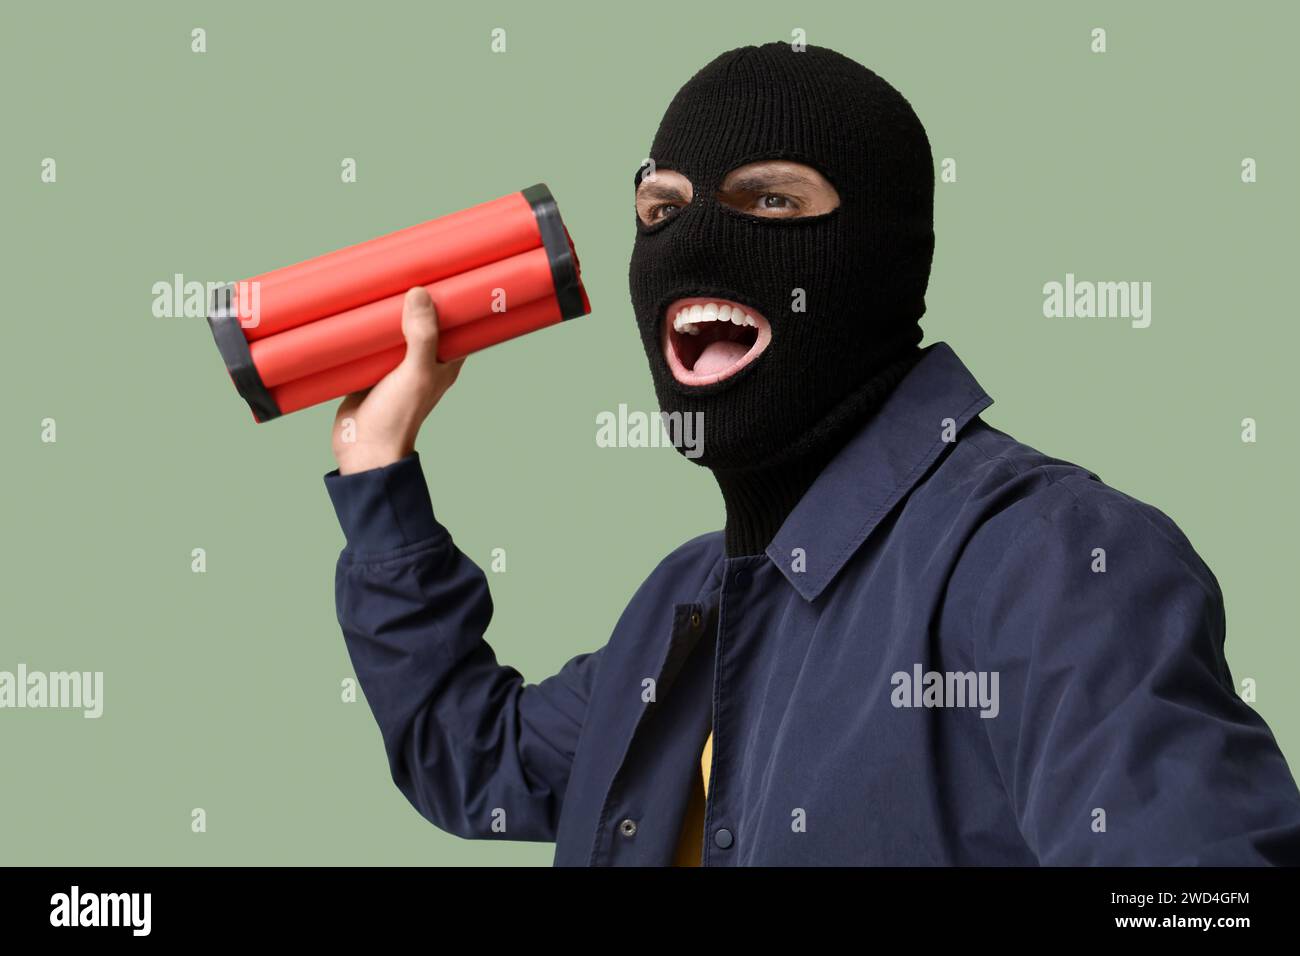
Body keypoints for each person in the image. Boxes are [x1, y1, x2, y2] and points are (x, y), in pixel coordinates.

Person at [321, 42, 1300, 865]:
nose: (691, 243)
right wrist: (377, 472)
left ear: (879, 256)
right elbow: (478, 761)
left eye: (771, 202)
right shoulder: (688, 603)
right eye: (661, 210)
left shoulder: (1048, 560)